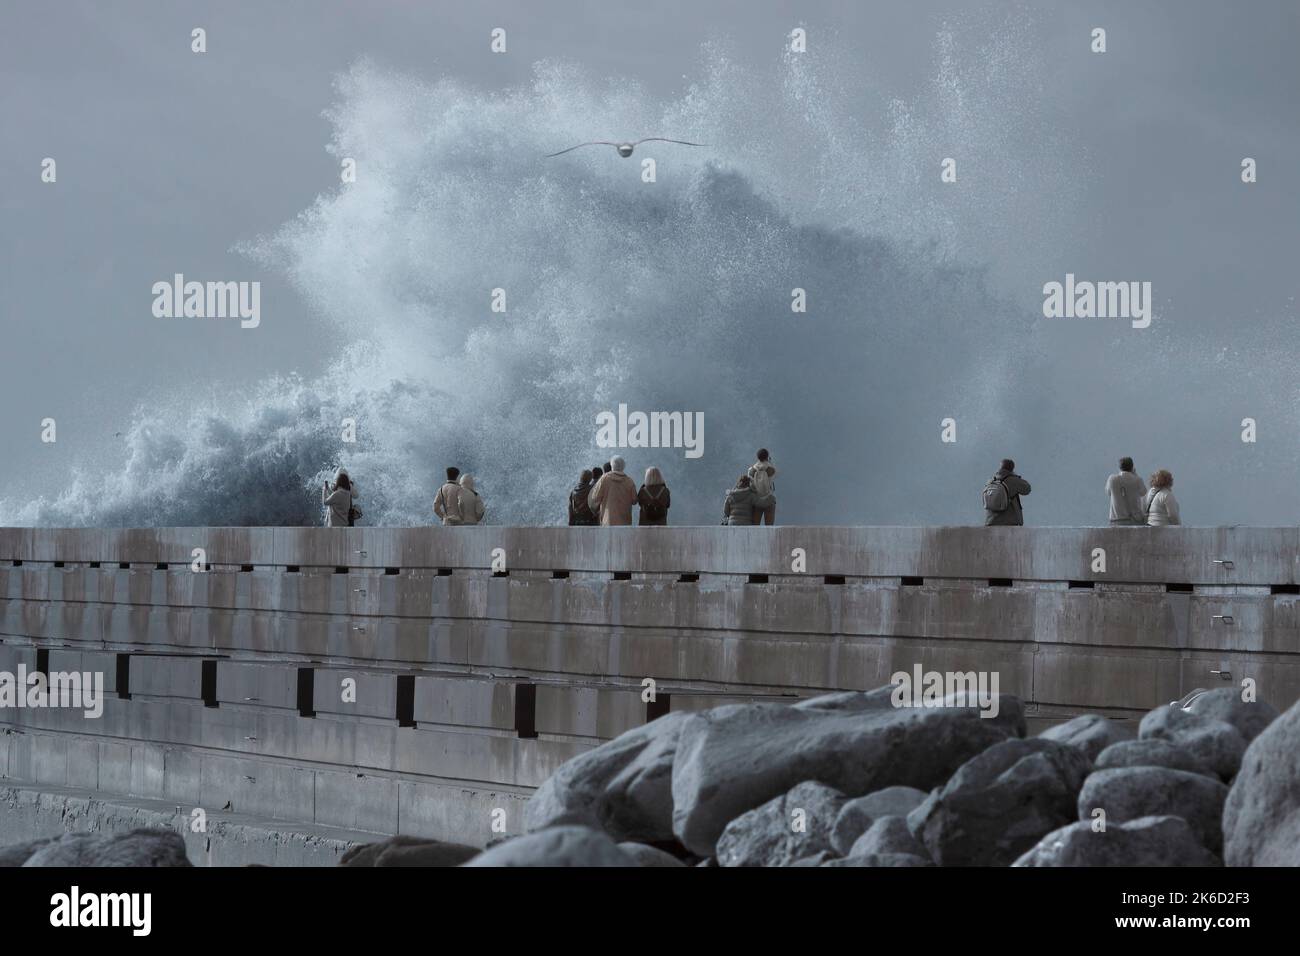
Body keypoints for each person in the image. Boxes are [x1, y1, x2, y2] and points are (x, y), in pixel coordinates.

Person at [588, 455, 637, 525]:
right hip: (625, 522)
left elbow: (595, 497)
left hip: (608, 521)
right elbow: (634, 500)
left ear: (612, 466)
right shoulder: (629, 481)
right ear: (623, 466)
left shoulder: (604, 479)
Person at [983, 458, 1032, 526]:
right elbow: (1027, 489)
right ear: (1012, 468)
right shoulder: (1013, 480)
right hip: (1009, 522)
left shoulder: (990, 480)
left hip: (990, 521)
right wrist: (1016, 476)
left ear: (1000, 467)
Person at [1106, 457, 1147, 526]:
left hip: (1116, 520)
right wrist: (1135, 475)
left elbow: (1109, 493)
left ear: (1119, 467)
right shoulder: (1137, 480)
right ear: (1132, 467)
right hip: (1134, 520)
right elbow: (1144, 492)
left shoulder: (1112, 479)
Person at [747, 449, 777, 525]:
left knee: (755, 526)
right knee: (769, 526)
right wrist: (770, 462)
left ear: (757, 457)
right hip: (769, 500)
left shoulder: (751, 470)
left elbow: (750, 484)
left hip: (756, 501)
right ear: (767, 457)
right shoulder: (771, 470)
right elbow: (775, 476)